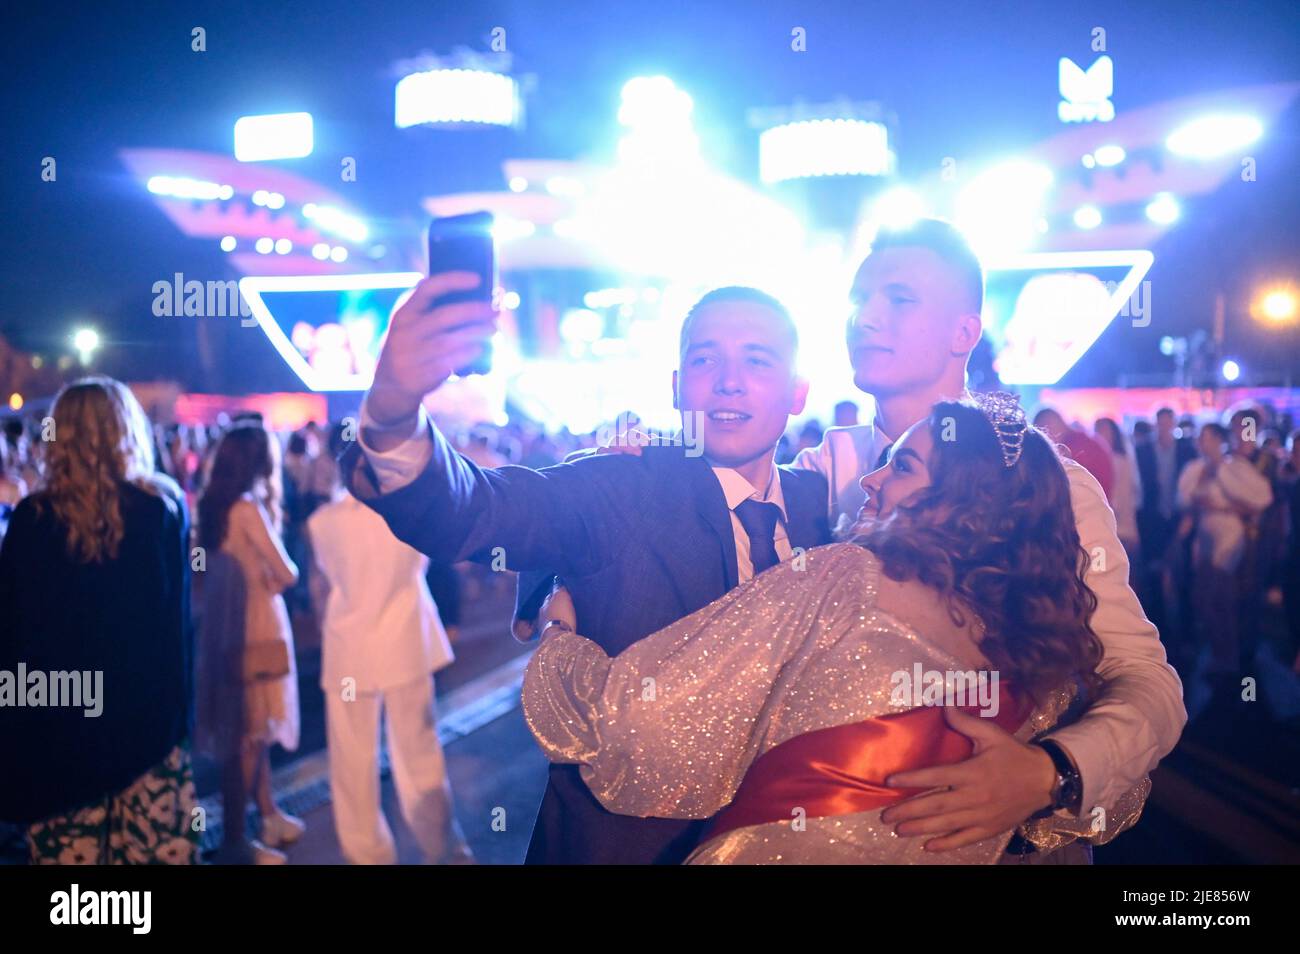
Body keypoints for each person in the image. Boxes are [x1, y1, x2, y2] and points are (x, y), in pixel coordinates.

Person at [523, 397, 1151, 862]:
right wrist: (1048, 777)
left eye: (902, 467)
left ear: (964, 501)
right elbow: (1112, 803)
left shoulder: (845, 577)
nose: (872, 480)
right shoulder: (1044, 665)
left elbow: (631, 727)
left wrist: (558, 636)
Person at [346, 280, 833, 863]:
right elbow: (481, 509)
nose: (729, 380)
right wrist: (393, 408)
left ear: (797, 391)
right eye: (706, 359)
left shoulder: (827, 510)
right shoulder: (619, 487)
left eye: (757, 360)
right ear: (676, 387)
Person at [790, 219, 1184, 862]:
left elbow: (1143, 677)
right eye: (859, 299)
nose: (865, 318)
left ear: (963, 333)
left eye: (899, 299)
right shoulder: (819, 470)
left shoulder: (1044, 481)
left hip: (1014, 844)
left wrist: (1049, 771)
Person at [0, 377, 198, 864]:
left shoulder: (32, 519)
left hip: (60, 732)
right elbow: (176, 630)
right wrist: (179, 722)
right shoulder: (162, 509)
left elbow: (14, 636)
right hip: (148, 727)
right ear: (127, 430)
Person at [306, 424, 472, 865]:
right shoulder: (407, 516)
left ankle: (367, 854)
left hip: (349, 649)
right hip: (406, 643)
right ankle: (444, 849)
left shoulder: (323, 523)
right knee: (420, 756)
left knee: (351, 763)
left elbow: (324, 586)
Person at [197, 421, 304, 863]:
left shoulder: (212, 505)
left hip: (225, 624)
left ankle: (268, 814)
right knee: (253, 734)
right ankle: (238, 840)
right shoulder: (248, 508)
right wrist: (269, 577)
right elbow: (288, 571)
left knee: (248, 729)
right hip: (259, 623)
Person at [1176, 422, 1272, 679]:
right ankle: (1220, 651)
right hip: (1204, 538)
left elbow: (1262, 498)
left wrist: (1226, 507)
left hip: (1229, 538)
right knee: (1203, 598)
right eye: (1201, 437)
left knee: (1221, 596)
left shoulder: (1234, 466)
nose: (1202, 442)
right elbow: (1184, 501)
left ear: (1219, 440)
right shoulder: (1196, 468)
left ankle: (1228, 657)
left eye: (1207, 437)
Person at [1033, 408, 1114, 499]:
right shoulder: (1083, 440)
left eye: (1044, 431)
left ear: (1051, 423)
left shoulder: (1075, 447)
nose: (1045, 440)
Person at [1095, 416, 1142, 564]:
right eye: (1098, 430)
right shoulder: (1099, 460)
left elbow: (1124, 495)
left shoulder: (1120, 460)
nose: (1100, 434)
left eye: (1104, 430)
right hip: (1106, 524)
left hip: (1120, 525)